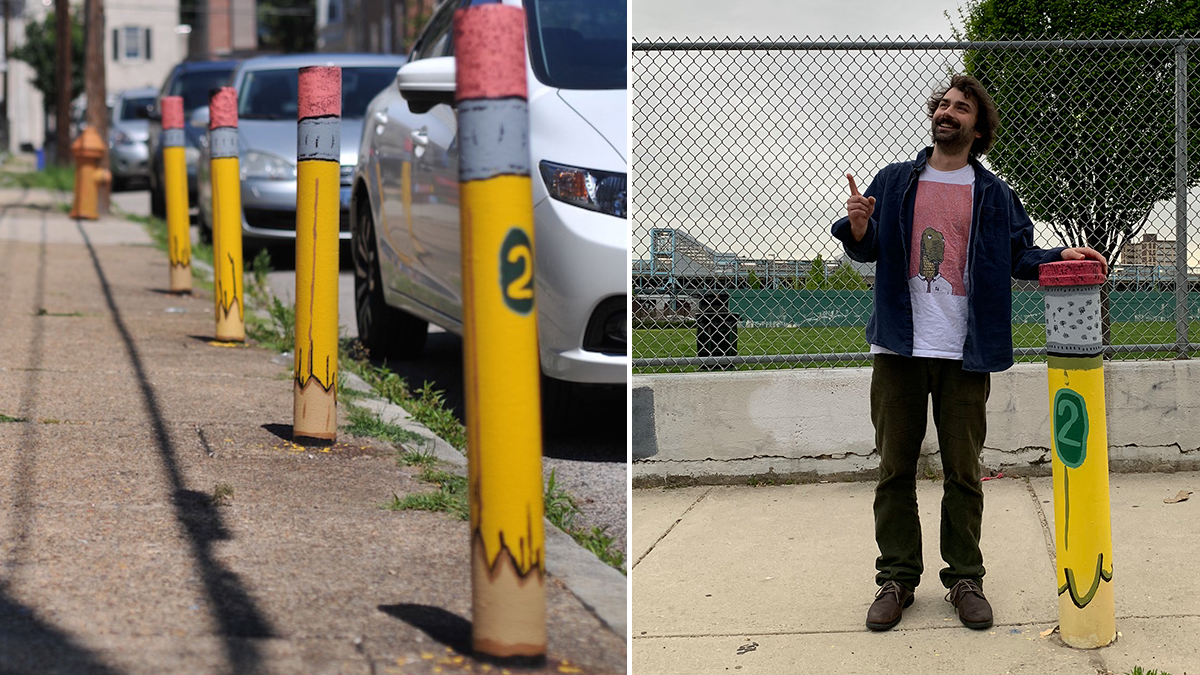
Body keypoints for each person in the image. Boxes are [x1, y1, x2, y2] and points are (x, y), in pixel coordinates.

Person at [831, 74, 1107, 632]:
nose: (948, 113)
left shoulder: (995, 194)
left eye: (961, 108)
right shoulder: (894, 181)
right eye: (943, 105)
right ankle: (897, 578)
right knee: (894, 470)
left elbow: (1020, 256)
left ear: (977, 129)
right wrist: (858, 227)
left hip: (966, 351)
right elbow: (868, 245)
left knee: (963, 472)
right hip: (899, 348)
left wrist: (1059, 255)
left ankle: (965, 578)